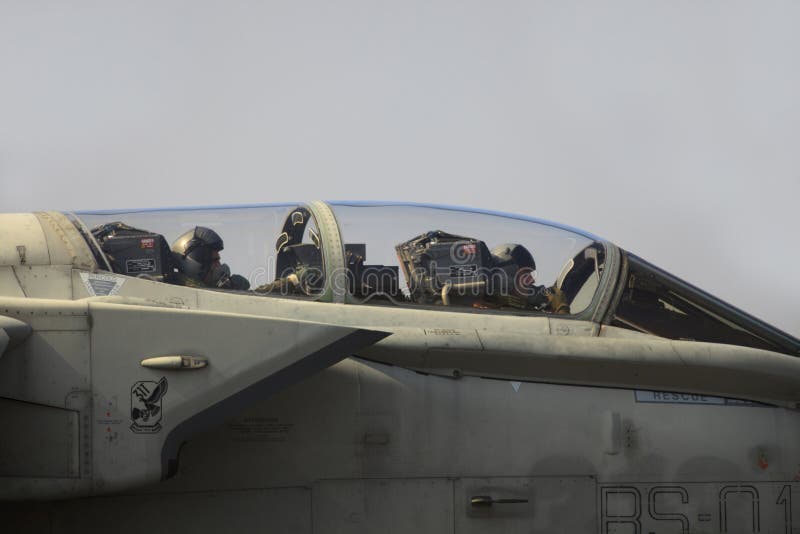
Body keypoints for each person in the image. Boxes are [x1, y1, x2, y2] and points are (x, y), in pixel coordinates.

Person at [169, 226, 250, 290]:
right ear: (194, 263)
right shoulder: (189, 293)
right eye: (215, 261)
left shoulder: (207, 290)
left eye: (218, 260)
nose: (219, 265)